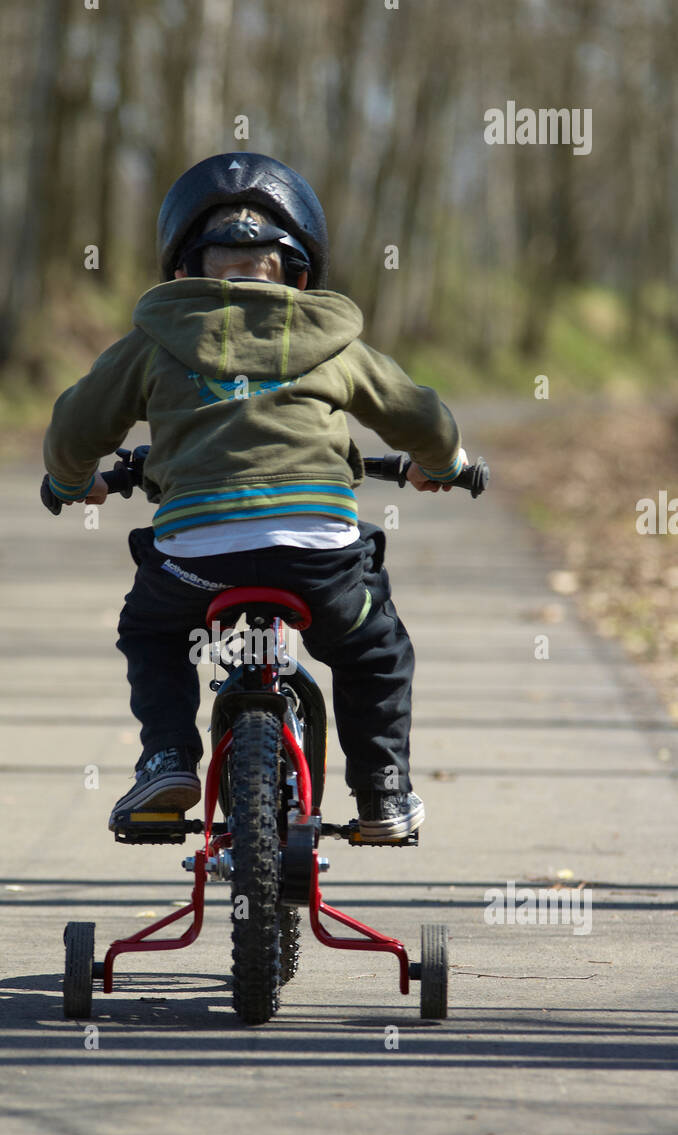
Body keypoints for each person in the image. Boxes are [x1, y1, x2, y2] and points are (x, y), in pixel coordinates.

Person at [41, 153, 464, 843]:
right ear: (296, 270)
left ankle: (168, 757)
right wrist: (442, 461)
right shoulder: (331, 339)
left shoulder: (155, 340)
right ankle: (383, 791)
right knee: (374, 652)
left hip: (196, 561)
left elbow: (74, 429)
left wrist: (69, 482)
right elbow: (420, 417)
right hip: (318, 559)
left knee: (150, 632)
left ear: (185, 268)